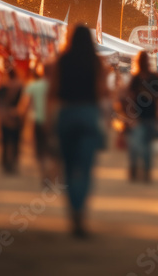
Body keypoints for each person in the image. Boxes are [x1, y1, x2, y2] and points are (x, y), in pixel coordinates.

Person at [55, 24, 108, 237]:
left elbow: (53, 91)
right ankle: (81, 210)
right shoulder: (96, 62)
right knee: (85, 169)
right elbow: (102, 91)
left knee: (68, 168)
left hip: (66, 114)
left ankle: (73, 209)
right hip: (88, 114)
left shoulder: (62, 60)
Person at [124, 50, 158, 182]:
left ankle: (137, 170)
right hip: (147, 116)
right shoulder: (152, 78)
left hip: (139, 116)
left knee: (137, 145)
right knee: (145, 145)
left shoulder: (137, 79)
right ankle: (144, 171)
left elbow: (129, 95)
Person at [19, 63, 58, 186]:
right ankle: (50, 174)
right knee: (52, 150)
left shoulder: (34, 86)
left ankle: (43, 172)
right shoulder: (57, 86)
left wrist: (22, 117)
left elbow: (26, 103)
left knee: (40, 150)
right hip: (53, 122)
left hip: (37, 121)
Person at [0, 65, 24, 175]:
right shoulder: (20, 86)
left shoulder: (2, 88)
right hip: (16, 117)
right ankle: (14, 162)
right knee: (15, 141)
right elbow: (23, 103)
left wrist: (2, 116)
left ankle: (5, 163)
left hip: (4, 117)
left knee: (5, 141)